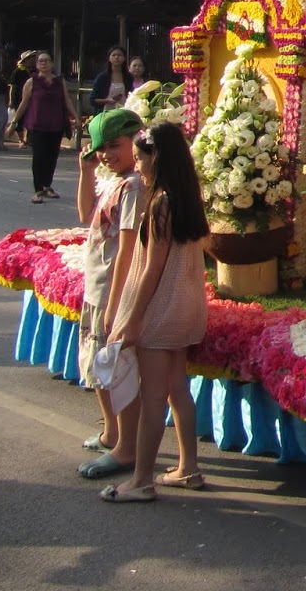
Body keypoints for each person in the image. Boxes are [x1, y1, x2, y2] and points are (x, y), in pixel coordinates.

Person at [101, 121, 210, 503]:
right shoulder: (187, 198)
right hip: (186, 306)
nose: (137, 163)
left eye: (140, 156)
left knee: (153, 397)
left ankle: (141, 480)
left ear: (156, 157)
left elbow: (152, 268)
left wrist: (132, 317)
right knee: (178, 389)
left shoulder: (161, 202)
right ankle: (188, 468)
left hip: (162, 309)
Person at [73, 108, 147, 481]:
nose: (105, 154)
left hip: (112, 294)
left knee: (116, 370)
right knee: (97, 365)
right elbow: (86, 214)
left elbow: (128, 247)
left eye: (114, 146)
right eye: (100, 147)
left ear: (136, 141)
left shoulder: (135, 186)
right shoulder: (115, 181)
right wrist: (86, 172)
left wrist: (116, 302)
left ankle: (126, 448)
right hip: (96, 287)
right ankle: (111, 433)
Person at [8, 52, 79, 203]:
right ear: (36, 64)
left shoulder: (59, 81)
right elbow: (24, 103)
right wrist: (14, 123)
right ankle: (38, 189)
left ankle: (47, 185)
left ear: (52, 63)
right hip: (37, 125)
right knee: (39, 157)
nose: (43, 63)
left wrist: (75, 117)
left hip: (56, 124)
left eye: (46, 61)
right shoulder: (31, 82)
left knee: (52, 157)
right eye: (40, 61)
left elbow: (67, 100)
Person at [8, 50, 36, 144]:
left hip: (31, 98)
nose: (32, 61)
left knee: (30, 117)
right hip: (18, 98)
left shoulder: (33, 71)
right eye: (30, 59)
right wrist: (11, 100)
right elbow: (13, 86)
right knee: (20, 119)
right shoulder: (18, 71)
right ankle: (21, 140)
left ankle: (29, 139)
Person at [91, 46, 131, 111]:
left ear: (124, 58)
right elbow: (92, 100)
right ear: (109, 58)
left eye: (119, 55)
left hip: (124, 112)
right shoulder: (102, 77)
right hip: (105, 112)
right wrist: (107, 100)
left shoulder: (128, 77)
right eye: (113, 55)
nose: (116, 57)